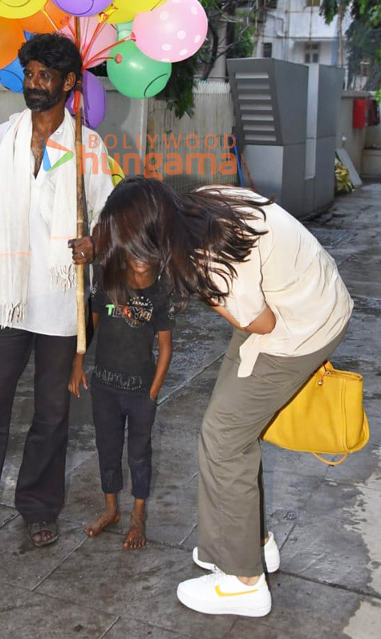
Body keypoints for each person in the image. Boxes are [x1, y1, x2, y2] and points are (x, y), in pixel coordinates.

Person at [94, 176, 353, 618]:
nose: (129, 269)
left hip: (298, 327)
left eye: (132, 257)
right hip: (309, 297)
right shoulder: (200, 207)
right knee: (226, 433)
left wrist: (203, 289)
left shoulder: (210, 261)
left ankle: (243, 581)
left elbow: (262, 324)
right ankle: (249, 544)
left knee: (224, 436)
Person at [0, 33, 112, 552]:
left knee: (52, 415)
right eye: (29, 75)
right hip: (8, 300)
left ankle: (38, 508)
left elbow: (109, 219)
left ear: (68, 84)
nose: (34, 86)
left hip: (60, 304)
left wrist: (92, 241)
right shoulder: (1, 140)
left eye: (44, 77)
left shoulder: (88, 146)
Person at [68, 257, 174, 550]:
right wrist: (78, 362)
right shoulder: (110, 282)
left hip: (140, 392)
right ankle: (111, 509)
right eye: (133, 251)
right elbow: (89, 325)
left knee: (139, 453)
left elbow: (166, 347)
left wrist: (153, 391)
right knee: (107, 449)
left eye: (147, 251)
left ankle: (137, 514)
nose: (139, 258)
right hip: (105, 389)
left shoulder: (160, 294)